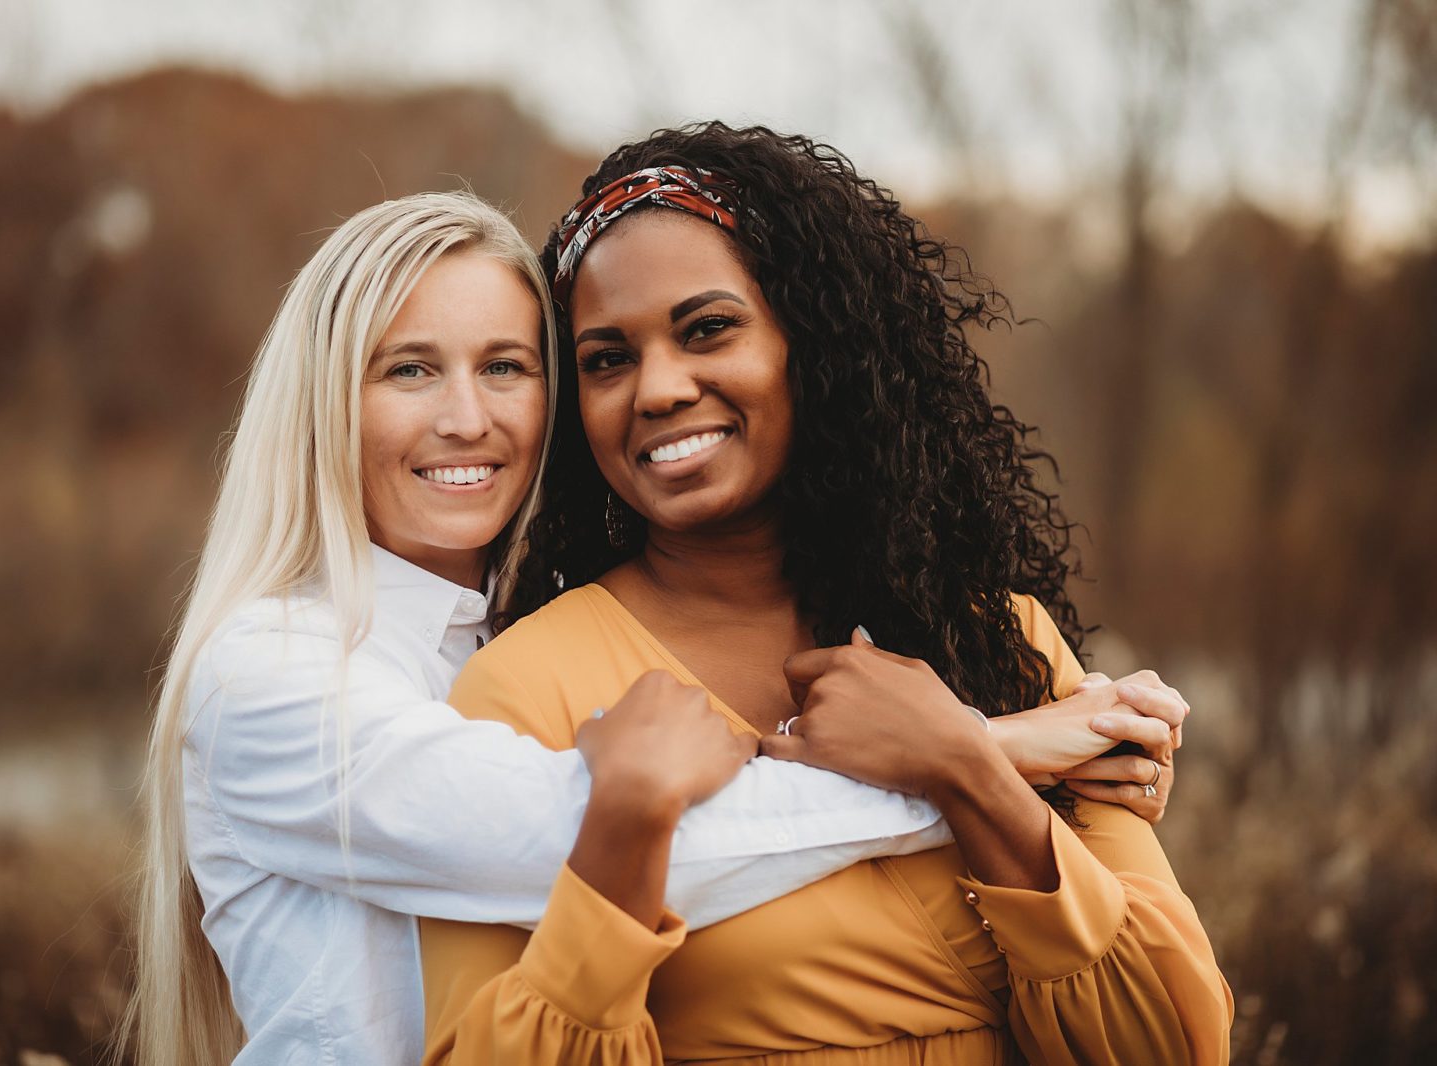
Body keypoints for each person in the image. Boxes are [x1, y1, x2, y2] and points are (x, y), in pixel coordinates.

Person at [122, 191, 1189, 1066]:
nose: (467, 418)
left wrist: (980, 764)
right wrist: (987, 755)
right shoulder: (273, 671)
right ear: (320, 402)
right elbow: (562, 835)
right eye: (410, 368)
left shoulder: (500, 635)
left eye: (506, 366)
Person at [420, 126, 1231, 1064]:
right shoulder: (524, 691)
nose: (659, 389)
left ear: (816, 342)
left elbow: (1179, 1044)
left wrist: (967, 770)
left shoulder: (992, 636)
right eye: (608, 358)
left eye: (707, 329)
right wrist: (625, 835)